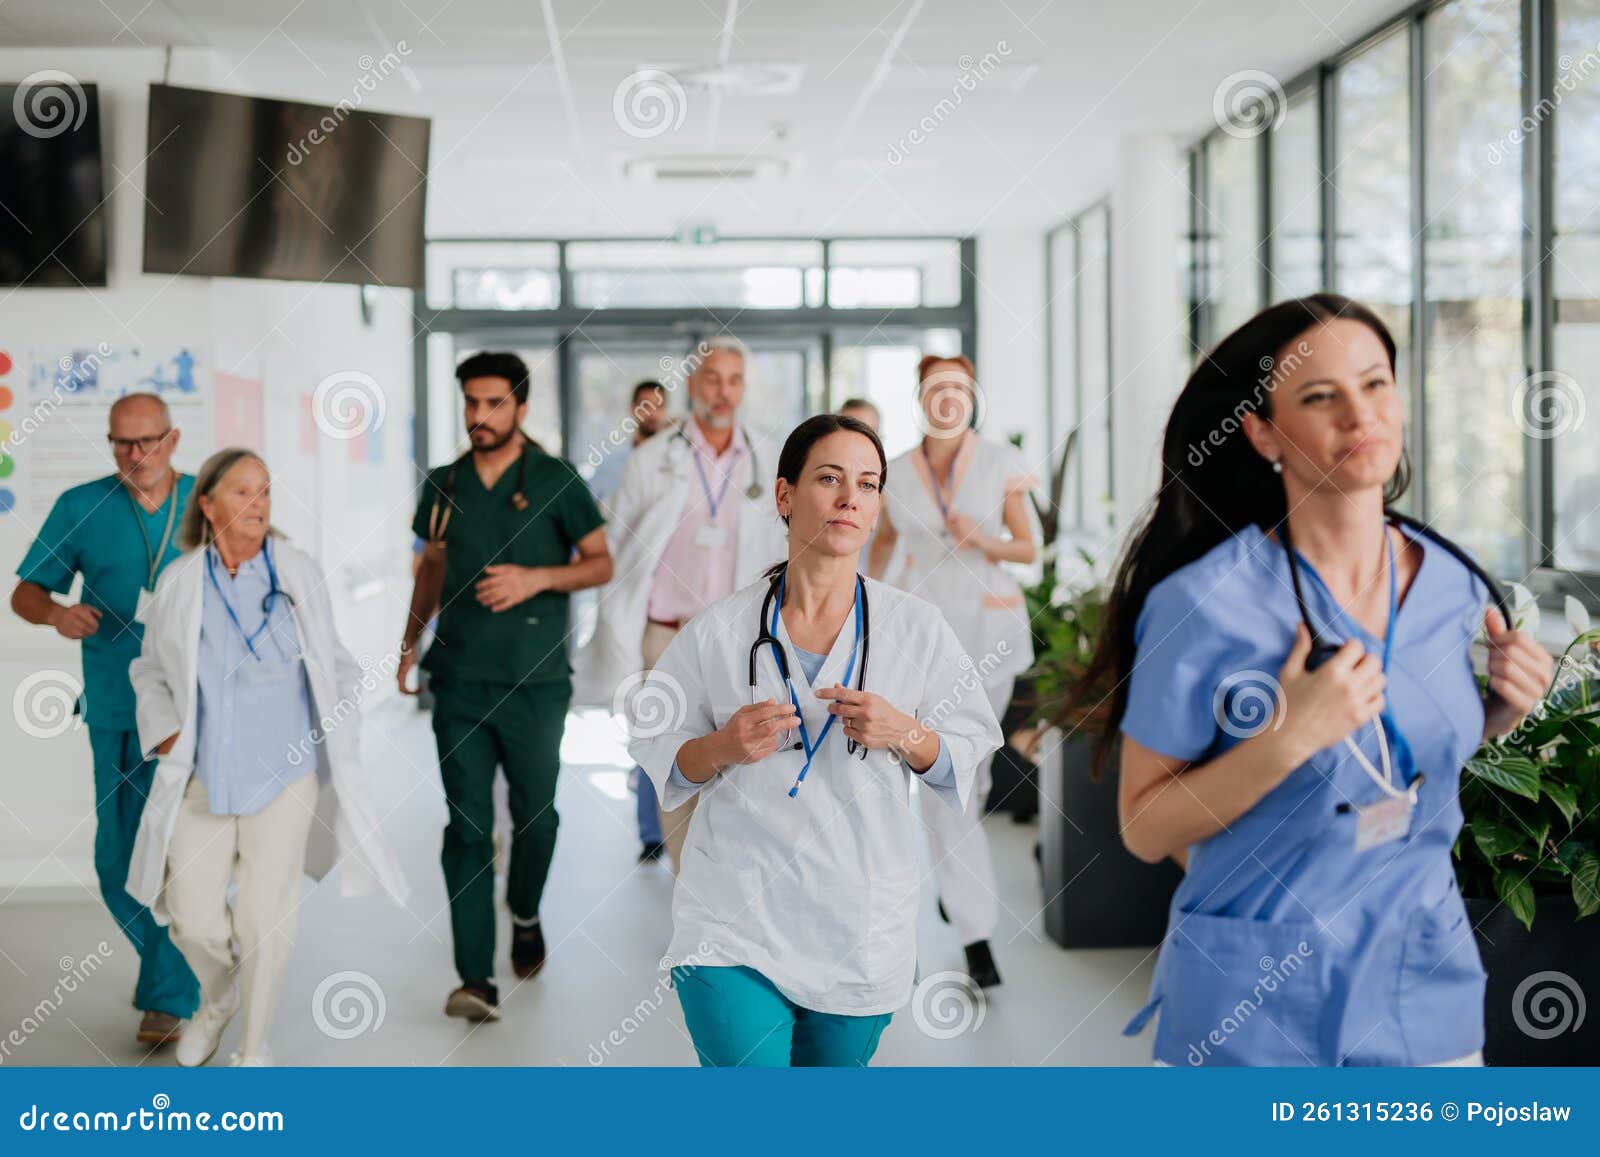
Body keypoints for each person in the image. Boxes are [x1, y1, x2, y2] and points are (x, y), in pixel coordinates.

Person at [1070, 294, 1551, 1067]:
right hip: (1251, 1007)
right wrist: (1287, 738)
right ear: (1263, 431)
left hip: (1422, 989)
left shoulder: (1454, 585)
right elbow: (1145, 824)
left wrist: (1497, 709)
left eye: (1375, 384)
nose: (1359, 415)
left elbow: (1408, 758)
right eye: (1320, 396)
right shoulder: (1203, 604)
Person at [630, 414, 1002, 1067]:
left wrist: (906, 732)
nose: (848, 497)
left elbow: (967, 747)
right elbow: (659, 745)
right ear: (784, 496)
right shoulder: (720, 629)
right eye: (828, 478)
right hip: (731, 920)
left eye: (866, 483)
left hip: (856, 922)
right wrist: (721, 745)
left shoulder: (915, 627)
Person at [126, 448, 410, 1067]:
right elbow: (148, 669)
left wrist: (338, 725)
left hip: (285, 775)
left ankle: (254, 1052)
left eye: (265, 492)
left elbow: (336, 663)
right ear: (207, 504)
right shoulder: (180, 580)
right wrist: (163, 727)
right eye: (241, 493)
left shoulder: (296, 571)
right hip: (201, 774)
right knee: (194, 919)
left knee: (265, 924)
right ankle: (218, 998)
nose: (258, 505)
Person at [399, 351, 613, 1023]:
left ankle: (525, 910)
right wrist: (410, 641)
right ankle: (475, 977)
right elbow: (430, 566)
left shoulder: (555, 479)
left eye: (494, 404)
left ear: (520, 407)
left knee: (535, 817)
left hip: (535, 682)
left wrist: (536, 577)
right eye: (471, 403)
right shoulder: (443, 483)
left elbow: (601, 562)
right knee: (465, 825)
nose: (479, 416)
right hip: (458, 678)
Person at [10, 393, 201, 1049]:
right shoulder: (81, 504)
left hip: (195, 710)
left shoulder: (210, 499)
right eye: (122, 442)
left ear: (172, 439)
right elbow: (25, 592)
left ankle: (170, 993)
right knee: (119, 858)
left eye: (147, 441)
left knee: (182, 852)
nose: (135, 456)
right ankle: (171, 969)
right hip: (116, 704)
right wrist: (57, 613)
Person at [577, 336, 787, 870]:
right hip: (665, 637)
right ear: (693, 384)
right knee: (671, 762)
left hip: (740, 639)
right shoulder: (653, 458)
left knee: (743, 765)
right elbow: (621, 549)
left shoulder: (768, 457)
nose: (723, 392)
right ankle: (687, 885)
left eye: (734, 380)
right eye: (712, 379)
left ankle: (729, 888)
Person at [865, 355, 1037, 989]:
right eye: (938, 388)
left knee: (972, 776)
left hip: (990, 634)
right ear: (920, 396)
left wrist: (980, 539)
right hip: (921, 640)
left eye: (959, 389)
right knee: (949, 784)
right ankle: (978, 936)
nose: (948, 398)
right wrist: (857, 603)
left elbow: (1029, 547)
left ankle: (958, 877)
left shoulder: (999, 463)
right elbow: (883, 543)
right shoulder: (898, 472)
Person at [587, 380, 669, 510]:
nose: (653, 414)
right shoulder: (610, 465)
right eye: (646, 406)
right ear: (633, 409)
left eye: (659, 406)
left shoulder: (676, 462)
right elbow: (589, 508)